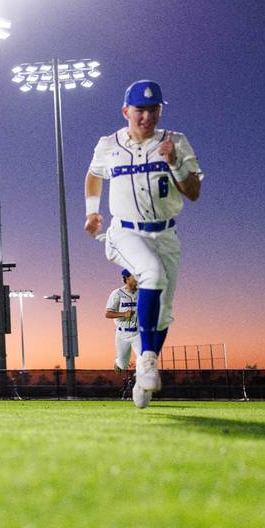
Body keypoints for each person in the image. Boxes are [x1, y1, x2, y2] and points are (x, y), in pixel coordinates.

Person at [85, 81, 202, 409]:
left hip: (165, 235)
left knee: (163, 314)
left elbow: (193, 192)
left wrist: (175, 161)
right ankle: (148, 358)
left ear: (160, 111)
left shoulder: (176, 141)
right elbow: (94, 175)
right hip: (125, 232)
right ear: (126, 111)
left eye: (153, 109)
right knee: (151, 273)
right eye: (140, 109)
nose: (146, 116)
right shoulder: (108, 144)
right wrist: (92, 211)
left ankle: (143, 372)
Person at [105, 269, 141, 395]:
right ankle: (118, 362)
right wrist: (124, 314)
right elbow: (108, 314)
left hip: (138, 333)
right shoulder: (117, 293)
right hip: (122, 334)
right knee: (123, 365)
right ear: (126, 278)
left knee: (144, 358)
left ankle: (141, 386)